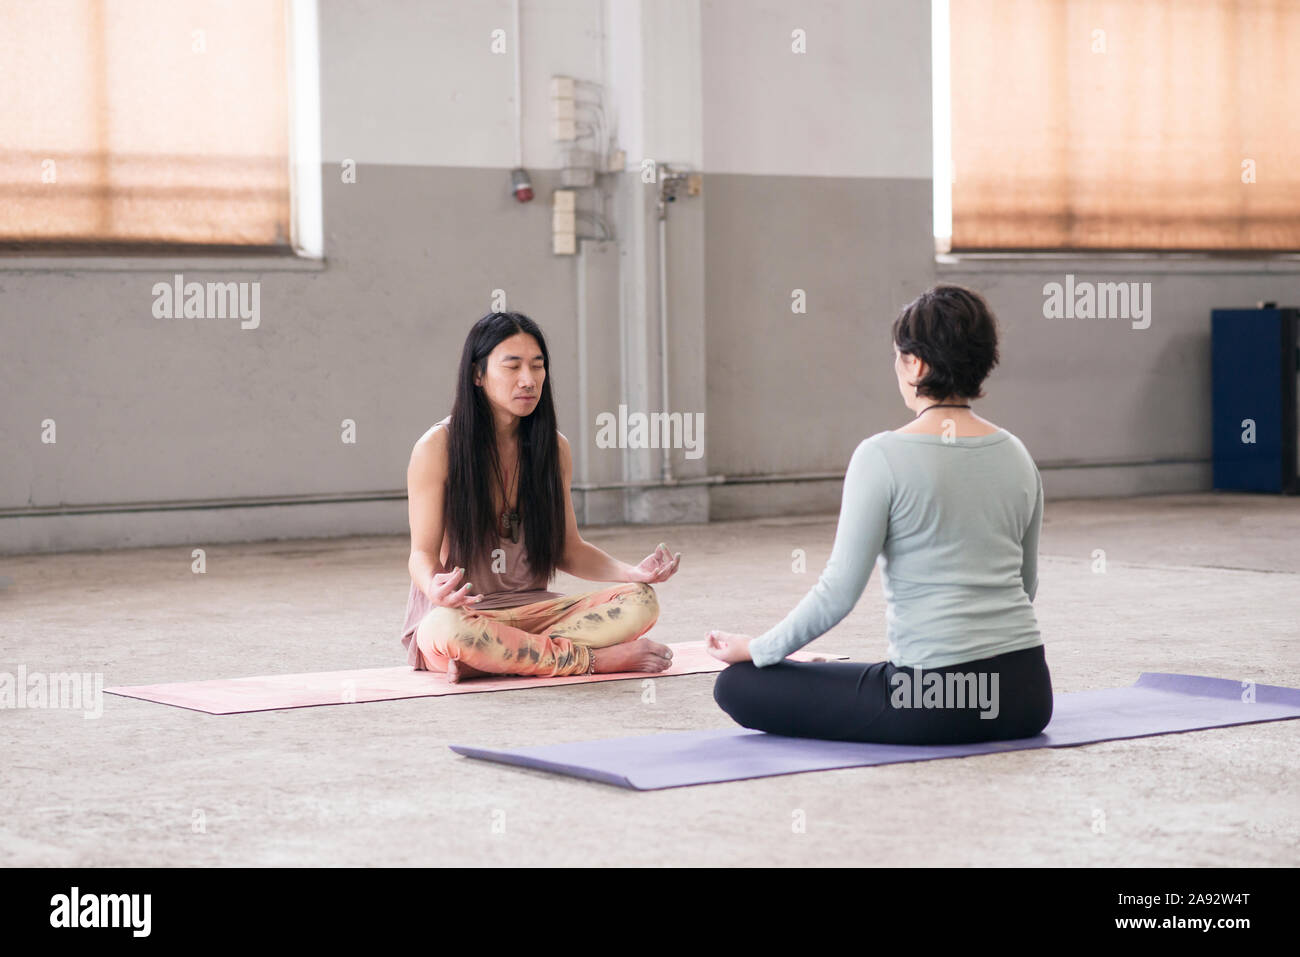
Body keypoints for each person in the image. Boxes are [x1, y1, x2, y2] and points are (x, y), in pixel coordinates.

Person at [705, 285, 1053, 744]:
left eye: (898, 357)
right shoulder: (1016, 454)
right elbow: (1025, 584)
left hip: (938, 705)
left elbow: (838, 593)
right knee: (852, 677)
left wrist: (758, 648)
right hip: (1026, 696)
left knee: (738, 684)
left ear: (916, 363)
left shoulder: (882, 455)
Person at [400, 311, 682, 681]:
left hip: (535, 613)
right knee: (449, 632)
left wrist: (631, 572)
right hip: (464, 616)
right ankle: (594, 660)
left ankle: (502, 658)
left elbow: (569, 549)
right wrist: (435, 587)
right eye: (513, 366)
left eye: (537, 366)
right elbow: (420, 555)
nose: (528, 380)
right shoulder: (437, 447)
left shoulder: (554, 448)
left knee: (641, 600)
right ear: (477, 375)